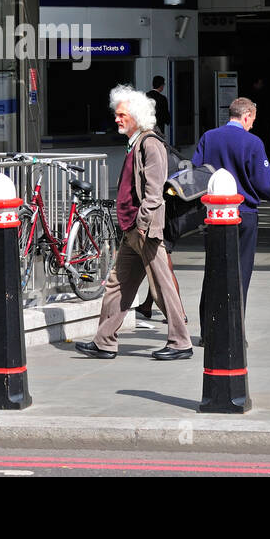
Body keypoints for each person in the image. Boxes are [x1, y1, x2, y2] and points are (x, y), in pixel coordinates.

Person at [75, 85, 192, 361]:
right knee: (117, 285)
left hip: (145, 230)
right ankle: (104, 341)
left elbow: (154, 192)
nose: (117, 118)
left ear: (137, 116)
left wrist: (141, 223)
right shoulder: (135, 143)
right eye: (116, 114)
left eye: (122, 114)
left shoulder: (150, 144)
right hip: (133, 230)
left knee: (162, 286)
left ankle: (180, 342)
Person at [192, 96, 270, 329]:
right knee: (240, 272)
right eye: (252, 121)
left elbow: (197, 171)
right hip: (244, 213)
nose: (252, 125)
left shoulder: (209, 137)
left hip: (214, 213)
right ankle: (234, 328)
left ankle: (208, 329)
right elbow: (264, 183)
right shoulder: (253, 142)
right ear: (246, 116)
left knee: (213, 269)